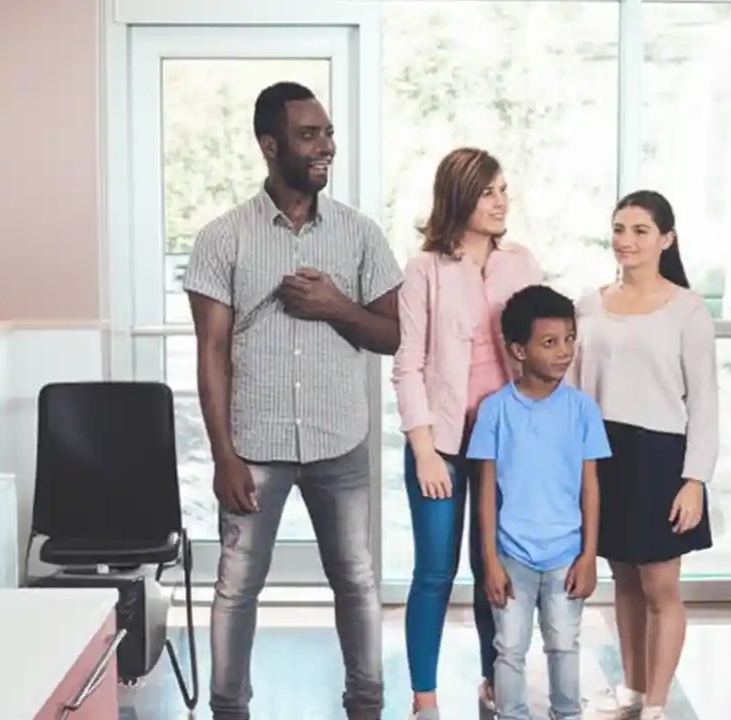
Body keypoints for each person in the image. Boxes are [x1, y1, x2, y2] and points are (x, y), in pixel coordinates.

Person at [183, 81, 404, 720]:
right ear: (270, 145)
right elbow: (211, 354)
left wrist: (335, 305)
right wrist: (223, 456)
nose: (325, 146)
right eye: (309, 135)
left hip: (340, 442)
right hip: (255, 448)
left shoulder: (361, 235)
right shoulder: (222, 238)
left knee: (356, 581)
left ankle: (366, 705)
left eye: (327, 133)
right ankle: (229, 709)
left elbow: (392, 335)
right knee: (236, 587)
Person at [392, 147, 544, 719]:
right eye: (488, 192)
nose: (502, 201)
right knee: (434, 571)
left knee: (494, 571)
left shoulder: (522, 264)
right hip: (442, 446)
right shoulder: (424, 269)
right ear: (459, 197)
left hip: (506, 446)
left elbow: (543, 350)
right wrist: (425, 452)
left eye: (504, 190)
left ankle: (494, 684)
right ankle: (425, 699)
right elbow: (408, 366)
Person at [571, 190, 719, 720]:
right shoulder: (589, 305)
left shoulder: (687, 309)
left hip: (660, 457)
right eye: (619, 229)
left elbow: (704, 402)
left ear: (666, 240)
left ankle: (656, 704)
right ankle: (631, 694)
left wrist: (694, 480)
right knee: (625, 581)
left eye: (639, 230)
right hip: (603, 453)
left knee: (660, 586)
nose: (626, 240)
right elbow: (575, 388)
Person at [468, 284, 611, 720]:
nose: (564, 351)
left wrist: (589, 556)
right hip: (512, 555)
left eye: (569, 339)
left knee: (564, 644)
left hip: (567, 554)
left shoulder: (583, 410)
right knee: (509, 647)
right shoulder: (494, 410)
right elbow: (486, 492)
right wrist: (490, 561)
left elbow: (590, 487)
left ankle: (566, 714)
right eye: (549, 342)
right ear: (519, 350)